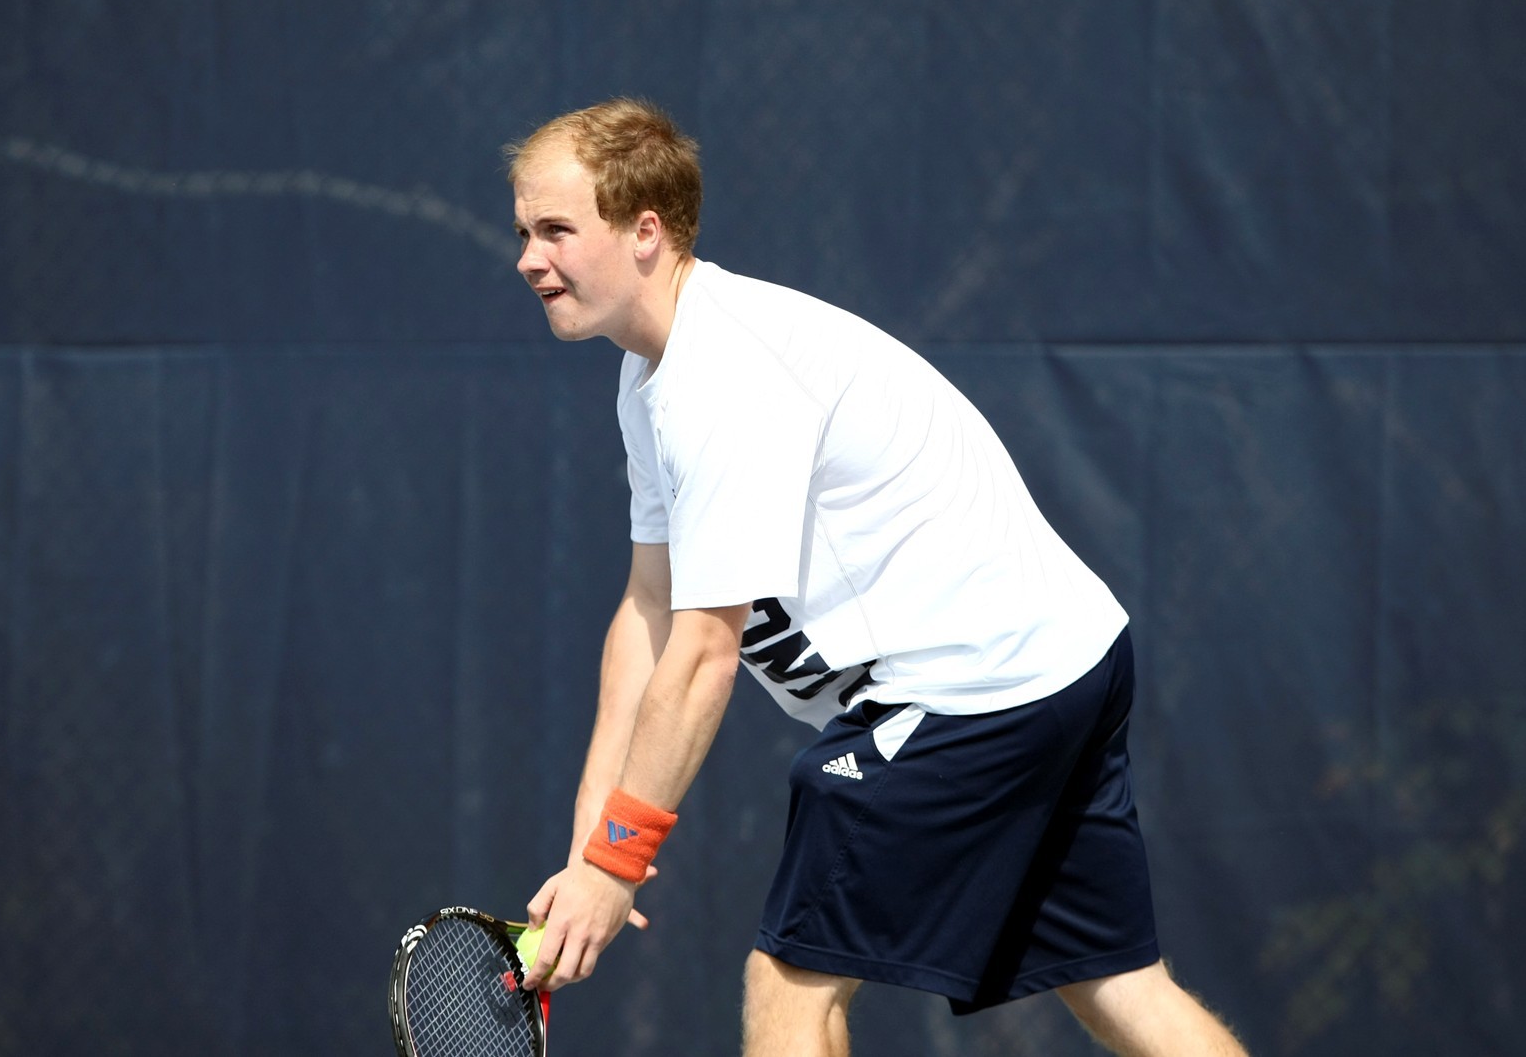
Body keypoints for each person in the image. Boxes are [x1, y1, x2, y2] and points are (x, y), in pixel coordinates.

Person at [505, 97, 1247, 1057]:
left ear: (646, 231)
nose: (529, 258)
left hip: (968, 689)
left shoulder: (723, 379)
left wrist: (619, 863)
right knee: (1117, 984)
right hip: (1062, 658)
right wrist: (587, 855)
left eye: (556, 229)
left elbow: (699, 659)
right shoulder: (651, 374)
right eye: (523, 231)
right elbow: (647, 611)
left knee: (790, 987)